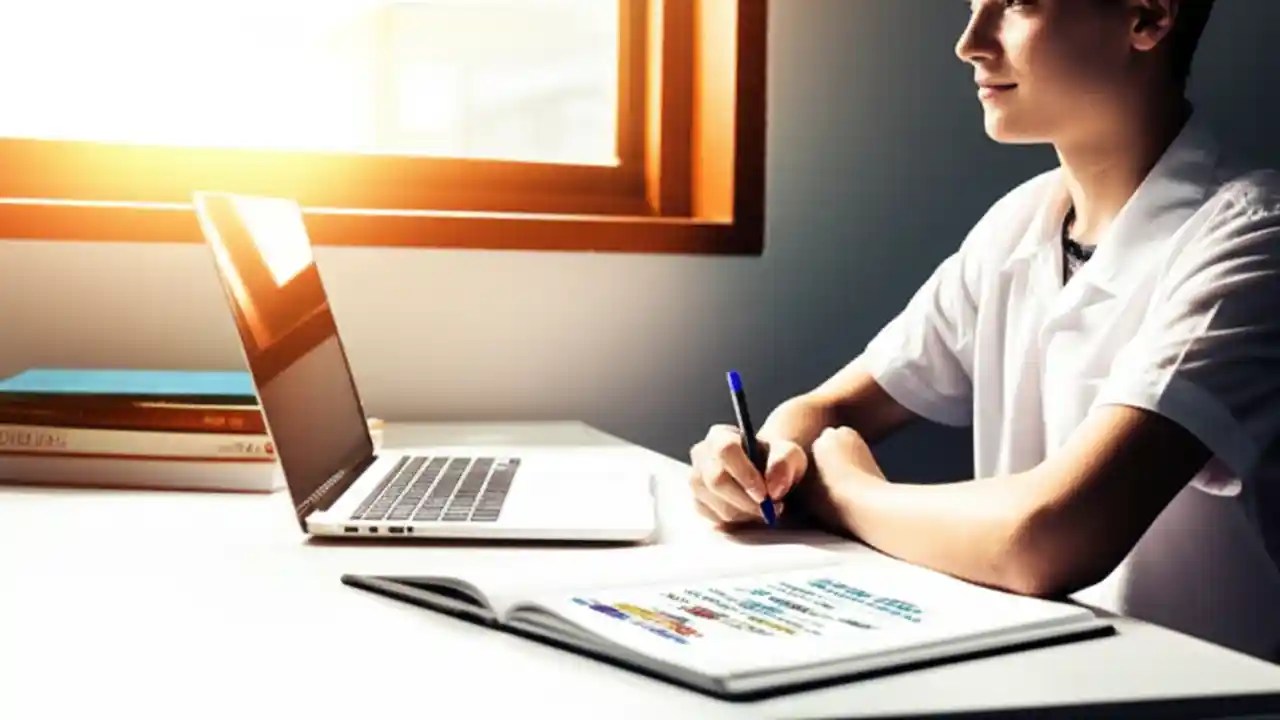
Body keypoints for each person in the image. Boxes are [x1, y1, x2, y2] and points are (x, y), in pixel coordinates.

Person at [689, 0, 1280, 661]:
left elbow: (1050, 537)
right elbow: (828, 409)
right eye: (974, 5)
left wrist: (847, 492)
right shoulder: (1022, 222)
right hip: (1045, 677)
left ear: (1146, 17)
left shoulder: (1256, 237)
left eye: (1017, 4)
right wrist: (763, 465)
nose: (970, 43)